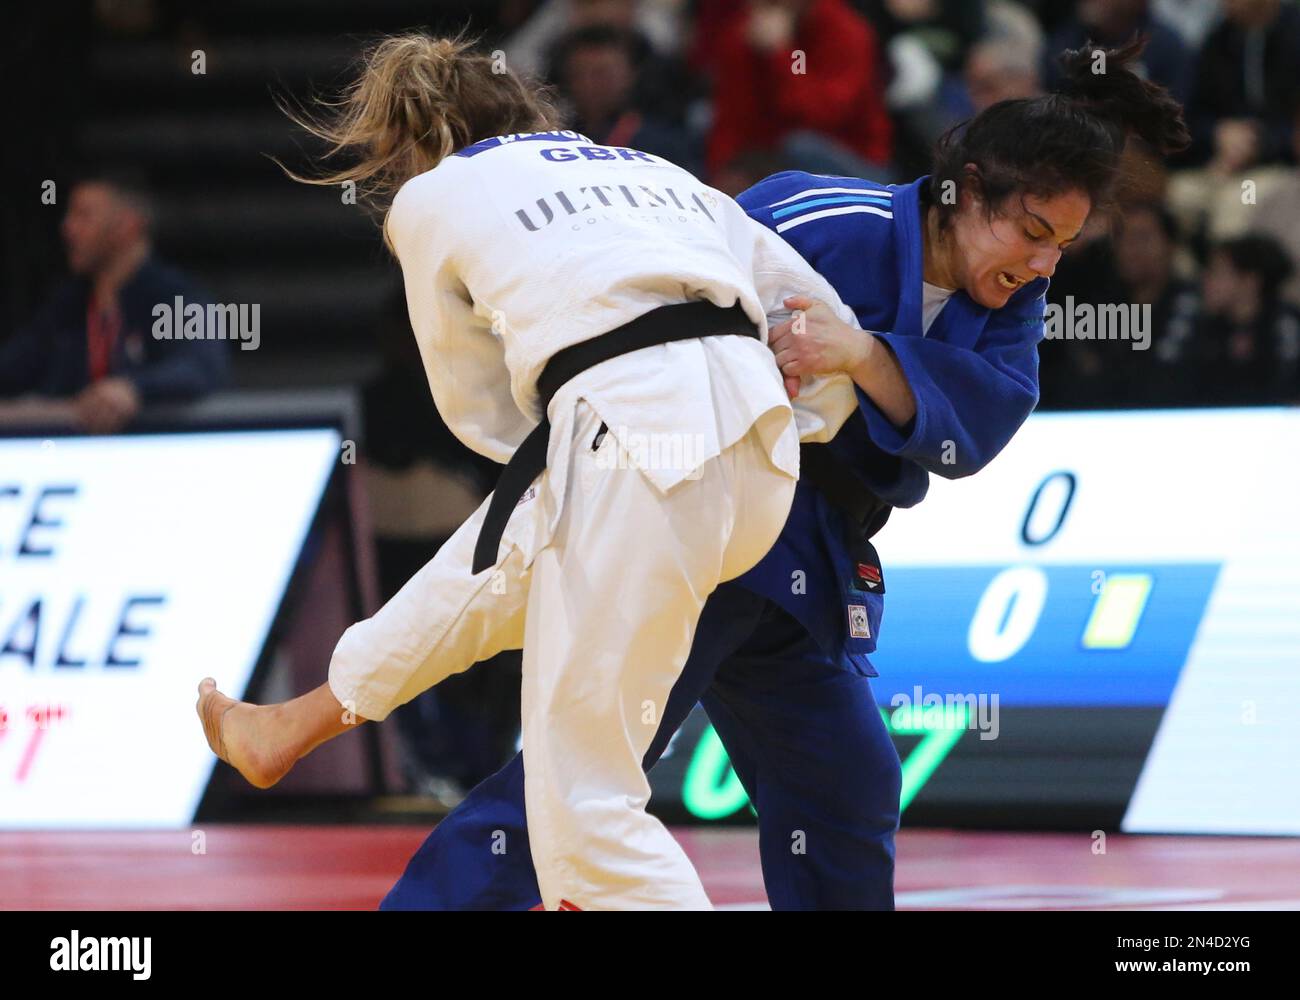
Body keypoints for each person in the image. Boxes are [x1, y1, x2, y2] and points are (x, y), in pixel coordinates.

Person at [200, 36, 1188, 910]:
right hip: (701, 491)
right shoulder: (817, 212)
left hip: (802, 543)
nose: (1041, 266)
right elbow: (689, 277)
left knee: (842, 790)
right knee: (578, 769)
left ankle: (296, 722)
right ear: (963, 190)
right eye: (1028, 233)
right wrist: (575, 465)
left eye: (1063, 244)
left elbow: (972, 431)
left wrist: (857, 355)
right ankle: (359, 803)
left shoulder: (1009, 308)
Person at [196, 32, 873, 911]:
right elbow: (819, 314)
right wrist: (792, 414)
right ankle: (293, 723)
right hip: (766, 454)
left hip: (634, 443)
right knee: (497, 556)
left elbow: (475, 407)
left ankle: (296, 722)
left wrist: (586, 441)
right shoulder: (656, 171)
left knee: (582, 814)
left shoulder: (436, 195)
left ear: (417, 140)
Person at [0, 175, 229, 432]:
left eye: (83, 215)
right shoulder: (68, 304)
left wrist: (133, 389)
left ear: (127, 225)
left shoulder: (176, 297)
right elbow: (15, 365)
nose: (67, 228)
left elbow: (200, 366)